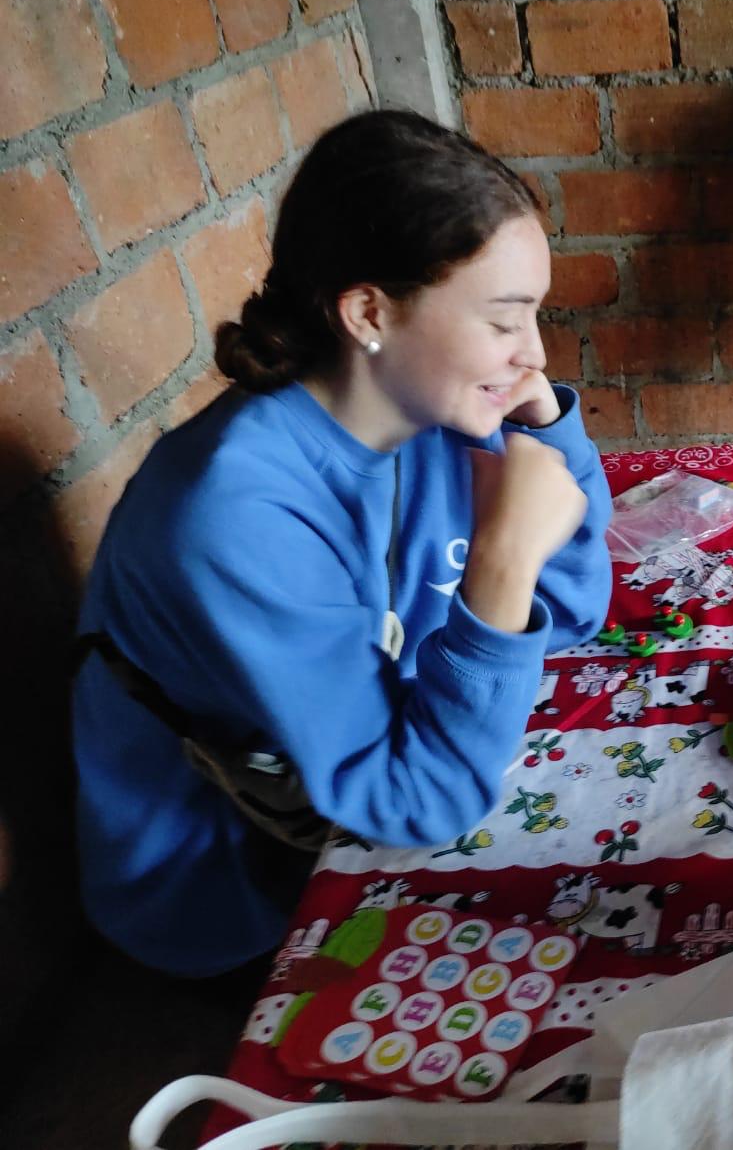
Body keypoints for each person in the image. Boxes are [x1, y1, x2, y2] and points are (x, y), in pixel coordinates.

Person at [71, 110, 613, 978]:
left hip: (371, 782)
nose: (535, 352)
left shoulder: (435, 409)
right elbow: (417, 800)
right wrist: (503, 563)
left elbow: (576, 612)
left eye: (537, 315)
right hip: (237, 897)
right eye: (505, 320)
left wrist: (547, 427)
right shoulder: (234, 510)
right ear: (369, 311)